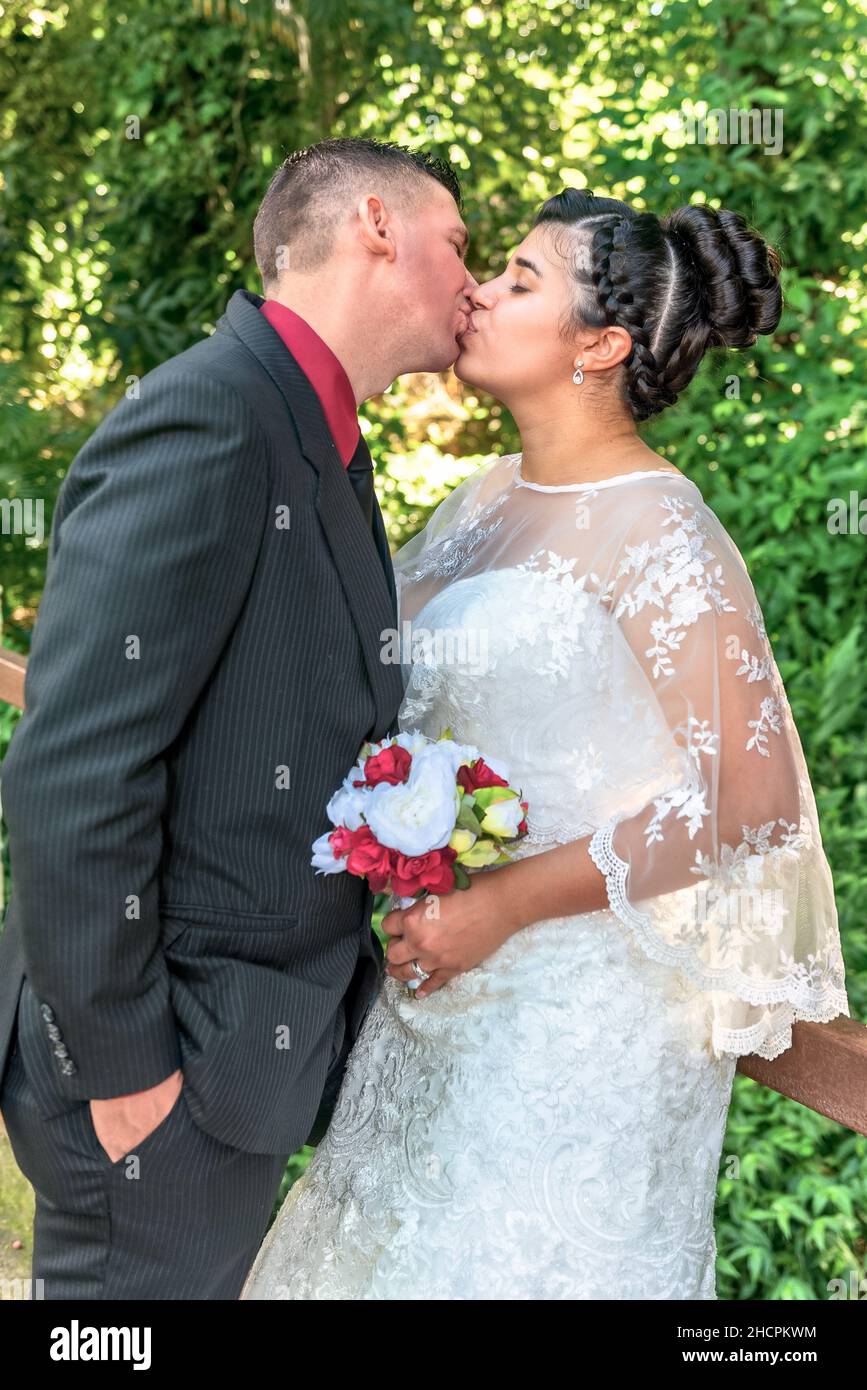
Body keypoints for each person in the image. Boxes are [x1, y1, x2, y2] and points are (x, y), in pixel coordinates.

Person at [240, 189, 850, 1300]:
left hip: (581, 1028)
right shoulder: (482, 504)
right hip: (437, 1000)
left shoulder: (663, 530)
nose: (480, 290)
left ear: (601, 343)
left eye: (522, 279)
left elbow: (748, 797)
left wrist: (501, 903)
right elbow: (353, 684)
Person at [0, 137, 477, 1299]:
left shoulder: (323, 440)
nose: (472, 282)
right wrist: (127, 1073)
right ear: (375, 223)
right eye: (459, 244)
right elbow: (74, 766)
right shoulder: (212, 416)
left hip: (233, 1058)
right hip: (157, 1066)